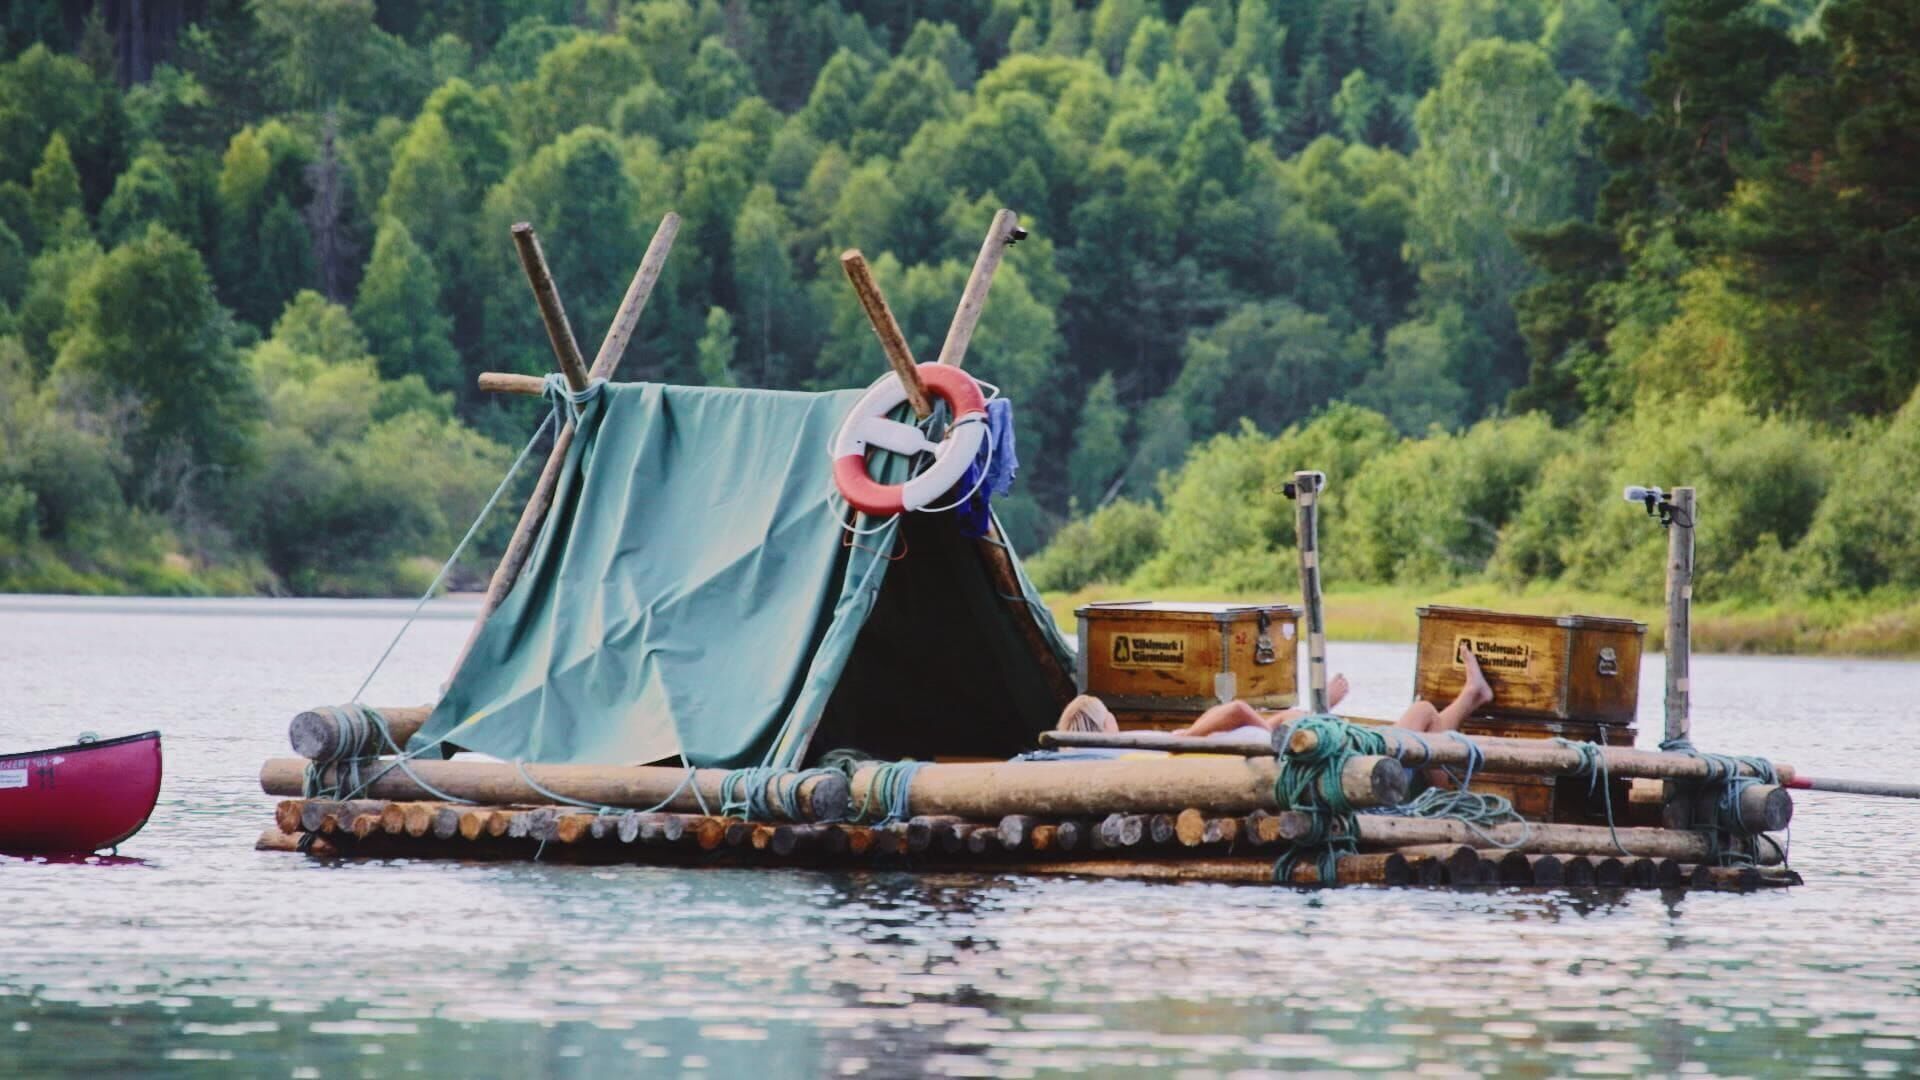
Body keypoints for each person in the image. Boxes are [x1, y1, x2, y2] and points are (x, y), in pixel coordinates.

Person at [1055, 644, 1494, 740]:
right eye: (1109, 713)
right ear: (1104, 724)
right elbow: (1238, 710)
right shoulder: (1144, 745)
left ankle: (1473, 695)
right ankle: (1472, 697)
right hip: (1297, 743)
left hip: (1289, 736)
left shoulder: (1130, 749)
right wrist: (1277, 724)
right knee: (1421, 714)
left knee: (1424, 721)